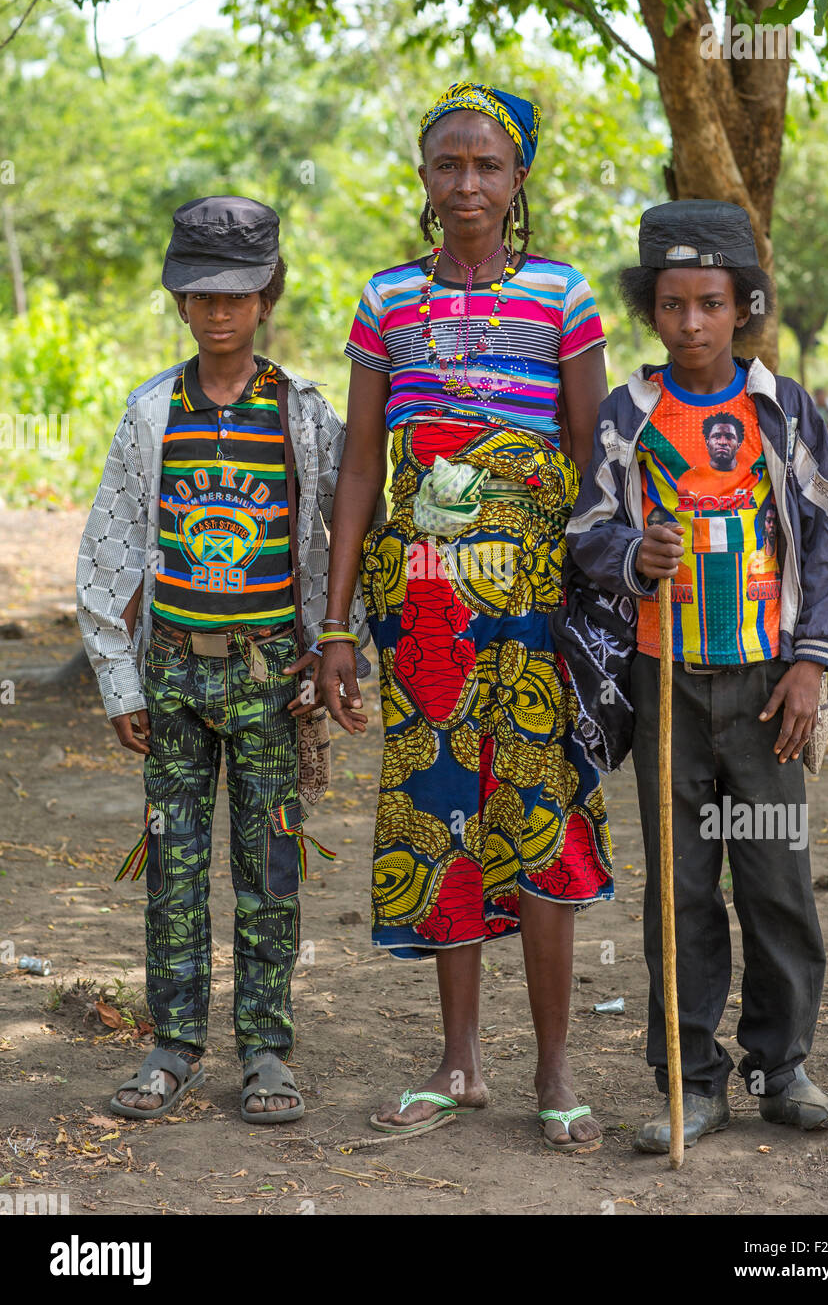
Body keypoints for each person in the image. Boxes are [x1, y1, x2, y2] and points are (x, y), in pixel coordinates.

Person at [318, 83, 615, 1150]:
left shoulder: (563, 297)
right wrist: (339, 623)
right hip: (424, 611)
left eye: (487, 164)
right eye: (448, 163)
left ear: (518, 176)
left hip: (534, 610)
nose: (468, 184)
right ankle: (456, 1063)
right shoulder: (385, 301)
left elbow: (591, 468)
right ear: (424, 177)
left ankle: (553, 1069)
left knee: (538, 816)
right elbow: (361, 467)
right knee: (442, 815)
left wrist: (594, 615)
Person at [565, 199, 828, 1152]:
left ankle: (785, 1067)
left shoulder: (783, 409)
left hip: (767, 687)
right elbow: (584, 533)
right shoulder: (629, 414)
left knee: (774, 878)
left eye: (711, 303)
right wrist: (628, 555)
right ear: (650, 309)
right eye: (672, 303)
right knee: (682, 887)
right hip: (667, 688)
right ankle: (690, 1083)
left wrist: (811, 665)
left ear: (744, 308)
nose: (691, 322)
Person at [76, 196, 371, 1123]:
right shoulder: (150, 414)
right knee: (172, 865)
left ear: (267, 298)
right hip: (172, 678)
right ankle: (170, 1046)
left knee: (268, 867)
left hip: (268, 679)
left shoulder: (303, 412)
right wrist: (120, 677)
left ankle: (268, 1051)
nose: (218, 313)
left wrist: (332, 649)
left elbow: (339, 539)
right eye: (200, 296)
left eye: (237, 296)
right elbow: (111, 549)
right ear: (179, 304)